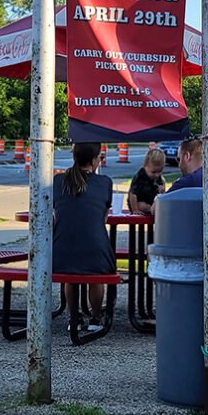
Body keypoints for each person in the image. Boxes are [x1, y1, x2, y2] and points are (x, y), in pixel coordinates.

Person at [53, 141, 116, 331]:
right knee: (96, 274)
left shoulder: (58, 181)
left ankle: (74, 318)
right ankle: (96, 318)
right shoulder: (104, 182)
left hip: (61, 250)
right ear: (95, 160)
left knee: (70, 276)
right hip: (95, 249)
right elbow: (102, 218)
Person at [127, 147, 166, 213]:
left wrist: (162, 190)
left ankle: (152, 211)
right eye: (153, 172)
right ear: (145, 166)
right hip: (138, 201)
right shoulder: (140, 176)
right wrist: (135, 209)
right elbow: (132, 194)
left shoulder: (159, 178)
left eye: (159, 172)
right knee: (143, 206)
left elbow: (162, 190)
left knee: (159, 206)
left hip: (152, 201)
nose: (156, 175)